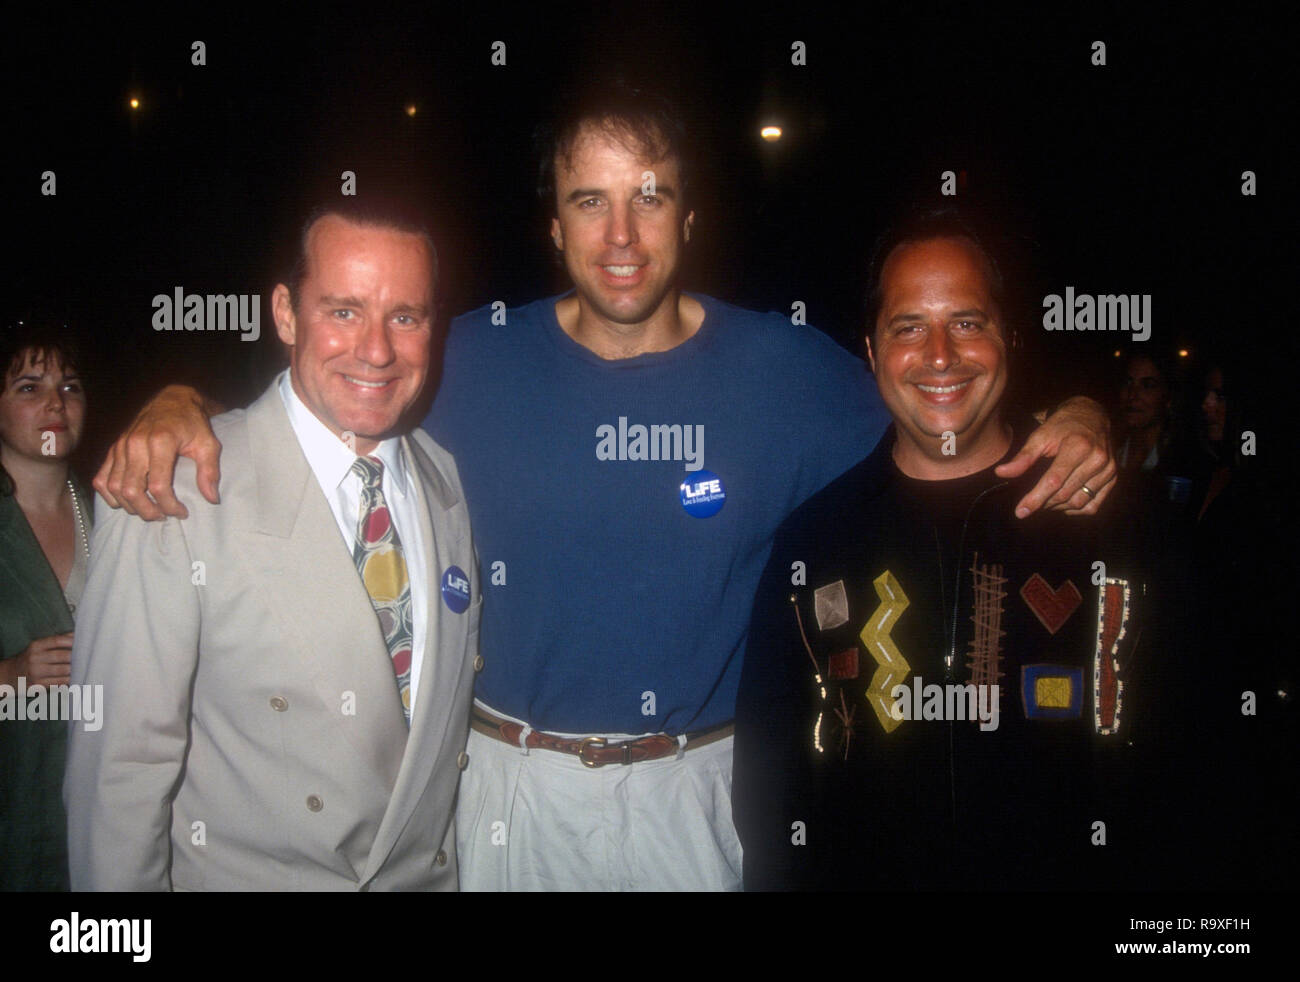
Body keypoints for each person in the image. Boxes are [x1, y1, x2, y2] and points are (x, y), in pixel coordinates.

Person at [91, 81, 1117, 891]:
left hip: (696, 798)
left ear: (689, 216)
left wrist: (1074, 418)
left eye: (649, 196)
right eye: (590, 199)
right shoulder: (458, 360)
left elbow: (940, 407)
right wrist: (176, 400)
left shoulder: (792, 375)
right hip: (501, 793)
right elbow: (320, 392)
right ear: (553, 224)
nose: (620, 236)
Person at [63, 201, 481, 890]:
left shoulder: (445, 481)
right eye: (343, 311)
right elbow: (119, 777)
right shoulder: (173, 492)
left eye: (405, 317)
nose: (377, 350)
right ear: (285, 314)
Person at [734, 211, 1144, 890]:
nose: (941, 355)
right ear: (870, 350)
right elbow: (770, 781)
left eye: (967, 321)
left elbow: (1196, 762)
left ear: (1009, 337)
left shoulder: (1108, 518)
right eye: (908, 327)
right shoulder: (814, 538)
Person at [0, 322, 90, 891]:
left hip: (104, 830)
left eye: (71, 386)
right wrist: (10, 676)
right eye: (29, 387)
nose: (56, 402)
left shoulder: (122, 514)